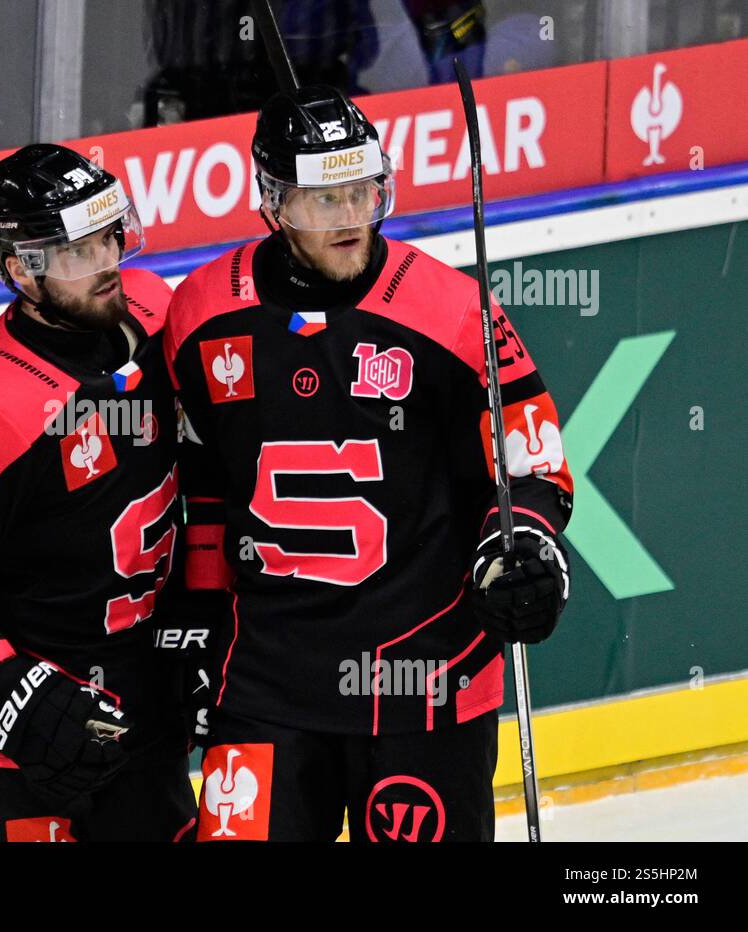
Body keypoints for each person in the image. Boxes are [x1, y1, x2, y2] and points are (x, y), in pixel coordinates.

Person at [163, 87, 573, 842]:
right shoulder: (201, 313)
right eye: (325, 201)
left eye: (363, 191)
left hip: (427, 679)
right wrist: (191, 624)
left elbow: (532, 467)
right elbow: (202, 485)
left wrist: (523, 551)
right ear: (273, 204)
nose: (351, 217)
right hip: (265, 685)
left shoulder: (454, 314)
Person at [0, 144, 196, 842]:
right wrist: (18, 696)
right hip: (12, 743)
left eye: (112, 234)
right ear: (24, 269)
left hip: (138, 711)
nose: (110, 259)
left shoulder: (151, 306)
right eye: (81, 250)